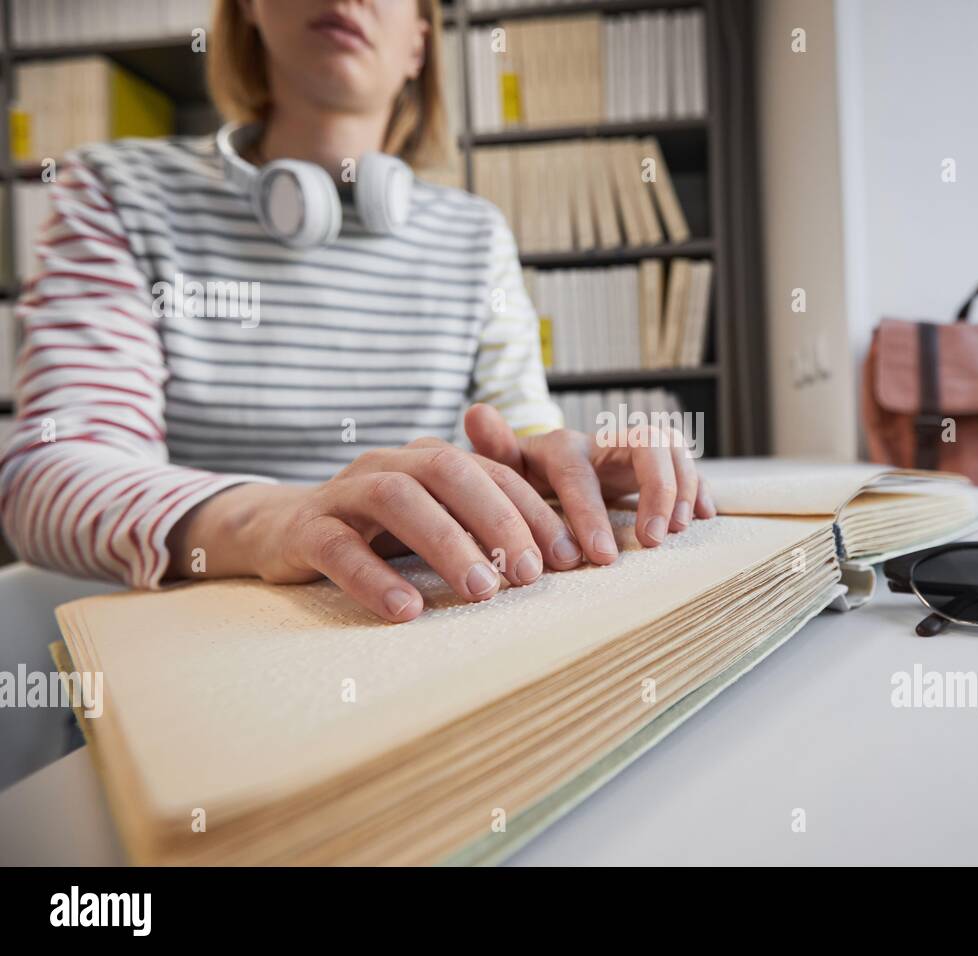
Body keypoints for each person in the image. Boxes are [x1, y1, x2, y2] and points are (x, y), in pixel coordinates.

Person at [0, 0, 713, 624]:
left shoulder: (473, 234)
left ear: (418, 46)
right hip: (198, 647)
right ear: (247, 4)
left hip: (418, 626)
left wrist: (569, 469)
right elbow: (52, 476)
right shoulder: (117, 193)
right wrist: (277, 522)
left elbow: (516, 438)